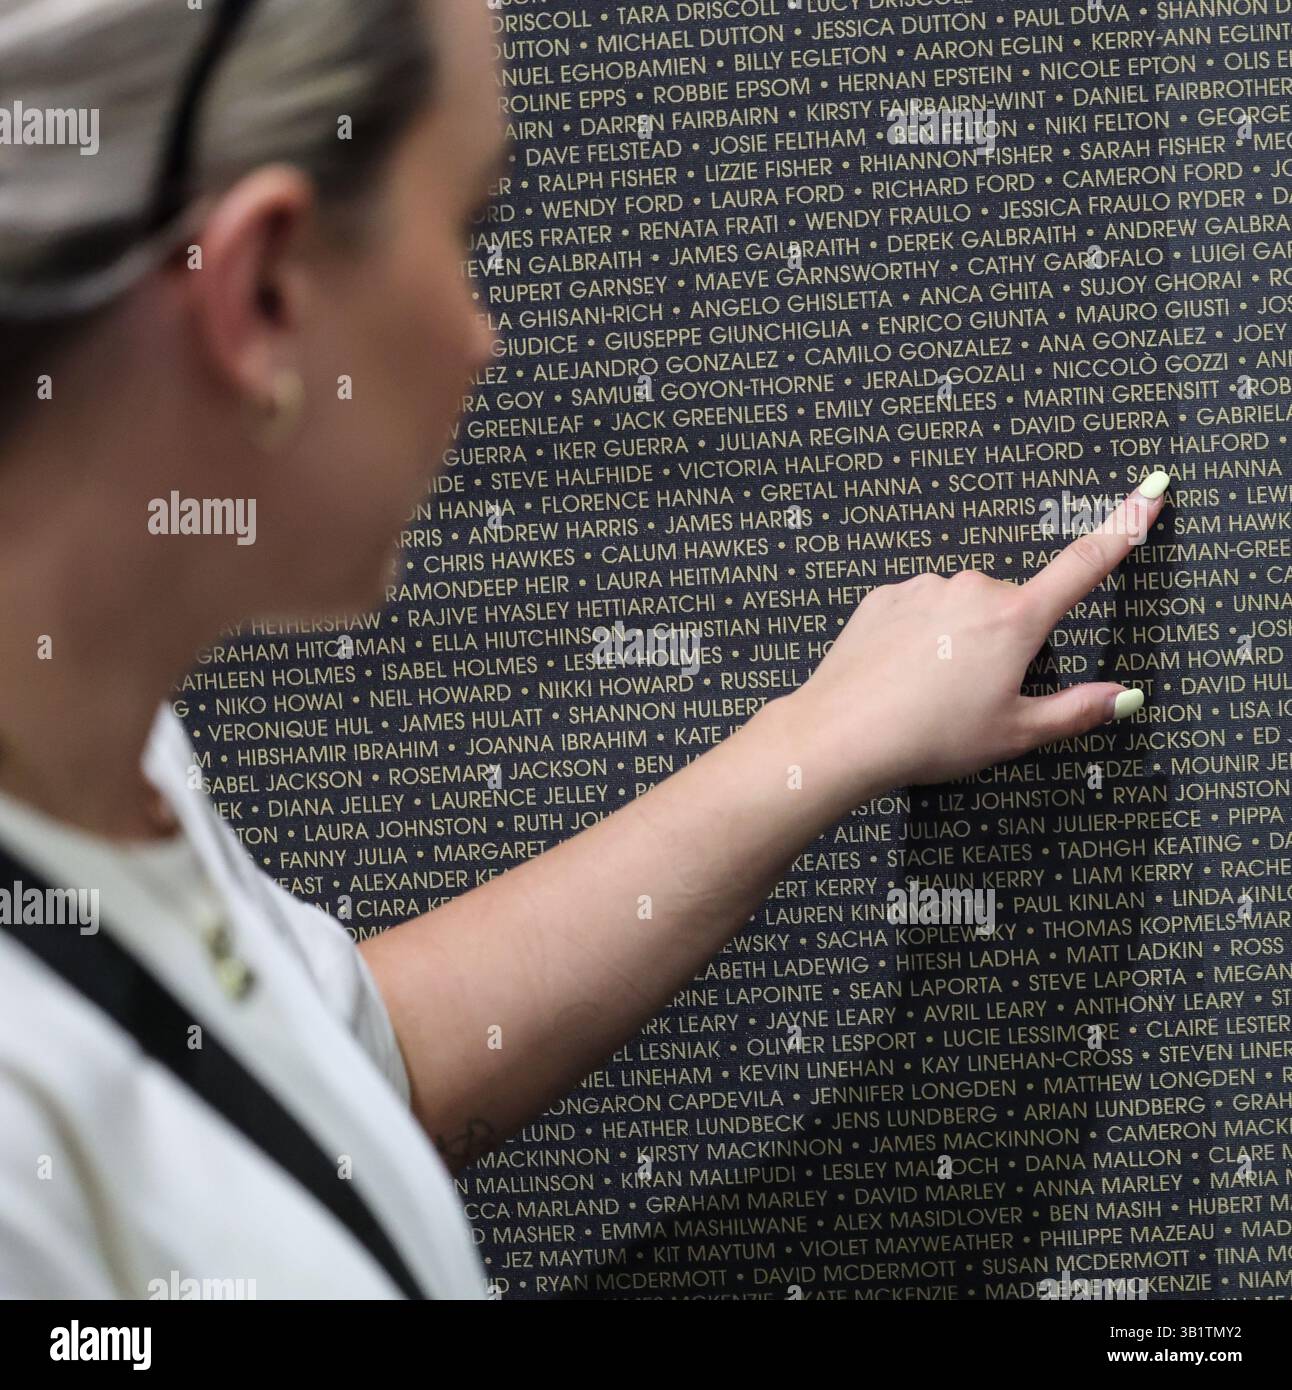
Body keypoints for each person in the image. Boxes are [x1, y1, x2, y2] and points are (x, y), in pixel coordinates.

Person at [0, 0, 1172, 1299]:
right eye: (469, 227)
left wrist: (827, 737)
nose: (482, 336)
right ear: (260, 291)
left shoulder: (95, 761)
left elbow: (338, 1071)